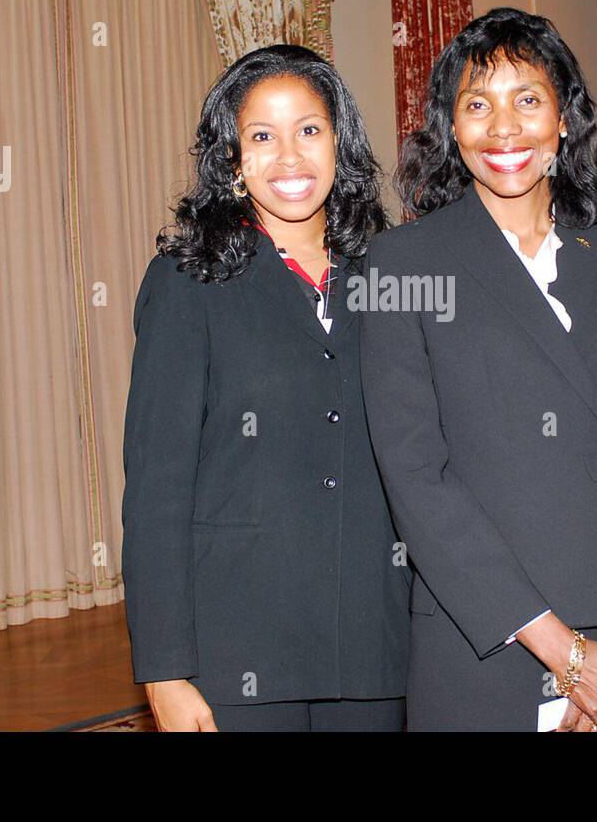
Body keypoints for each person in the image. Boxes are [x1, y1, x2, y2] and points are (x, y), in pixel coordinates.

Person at [359, 7, 597, 732]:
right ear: (451, 128)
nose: (504, 128)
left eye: (528, 99)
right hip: (488, 631)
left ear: (565, 118)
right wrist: (568, 657)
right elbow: (415, 477)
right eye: (477, 105)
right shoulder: (403, 264)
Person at [121, 44, 408, 731]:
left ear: (340, 142)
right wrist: (164, 668)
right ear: (231, 158)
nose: (289, 156)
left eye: (309, 130)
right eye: (261, 136)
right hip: (238, 644)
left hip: (373, 639)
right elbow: (157, 488)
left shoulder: (391, 273)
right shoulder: (187, 281)